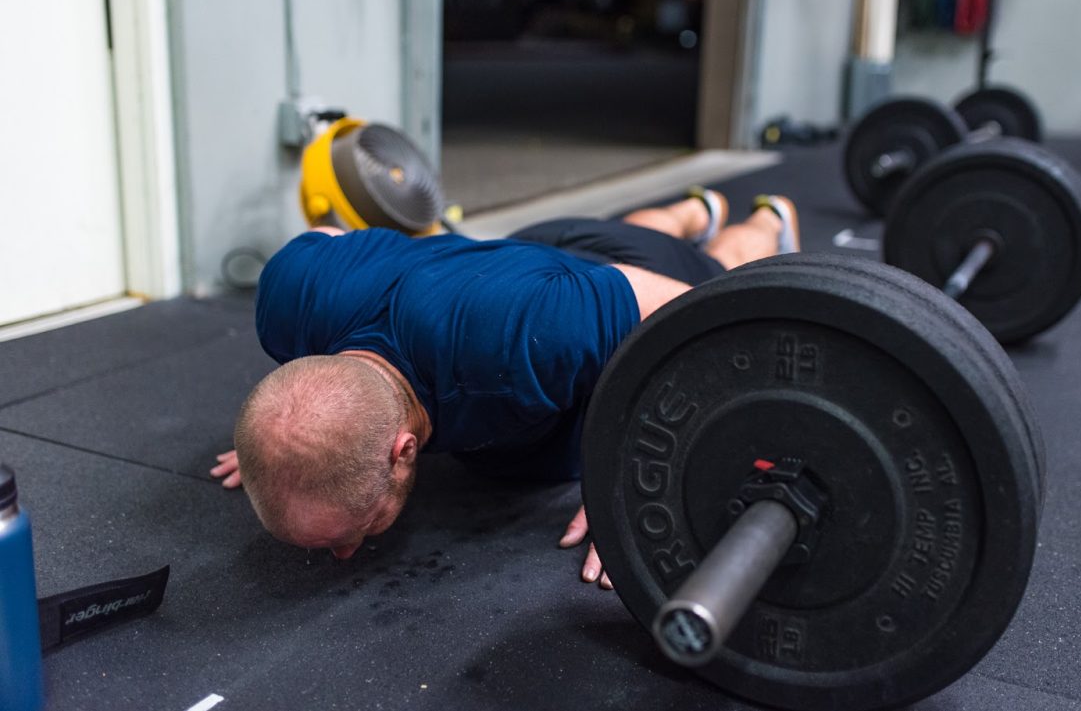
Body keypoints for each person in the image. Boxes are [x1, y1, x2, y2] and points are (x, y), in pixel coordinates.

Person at [211, 190, 801, 590]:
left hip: (606, 289)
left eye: (349, 535)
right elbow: (323, 236)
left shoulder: (523, 344)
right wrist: (289, 439)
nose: (344, 555)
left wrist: (643, 474)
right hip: (518, 259)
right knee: (616, 249)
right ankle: (693, 207)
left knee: (722, 265)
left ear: (403, 451)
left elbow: (707, 321)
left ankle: (764, 216)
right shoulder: (290, 295)